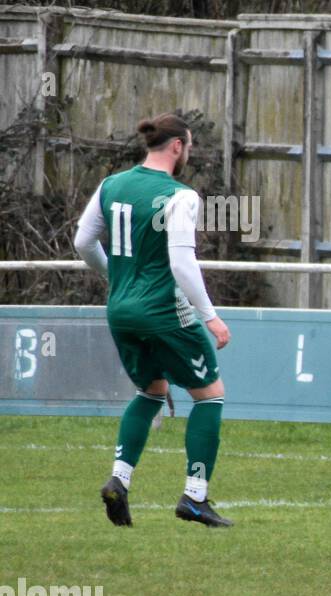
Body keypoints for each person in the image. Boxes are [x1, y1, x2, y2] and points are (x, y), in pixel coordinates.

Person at [73, 112, 234, 528]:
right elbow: (181, 261)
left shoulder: (112, 185)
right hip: (163, 309)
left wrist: (115, 275)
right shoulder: (180, 196)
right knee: (210, 395)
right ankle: (195, 497)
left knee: (151, 390)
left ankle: (119, 482)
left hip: (121, 308)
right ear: (177, 146)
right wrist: (211, 317)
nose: (190, 153)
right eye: (190, 146)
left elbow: (83, 242)